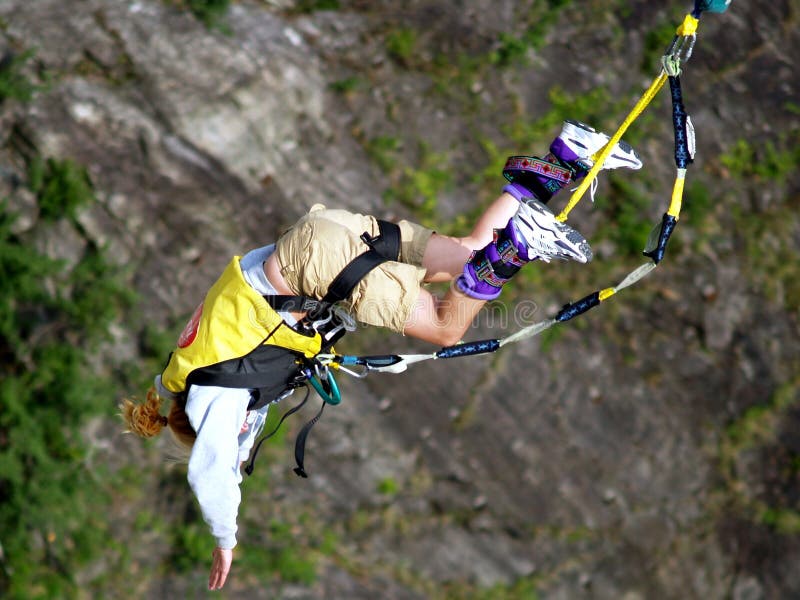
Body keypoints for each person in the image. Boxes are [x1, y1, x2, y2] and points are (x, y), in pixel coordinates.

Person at [121, 120, 642, 590]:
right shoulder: (194, 361)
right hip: (322, 234)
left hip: (319, 264)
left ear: (203, 420)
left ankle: (519, 244)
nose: (243, 429)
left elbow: (212, 469)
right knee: (466, 253)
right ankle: (562, 160)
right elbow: (235, 441)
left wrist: (224, 538)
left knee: (445, 326)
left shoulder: (211, 396)